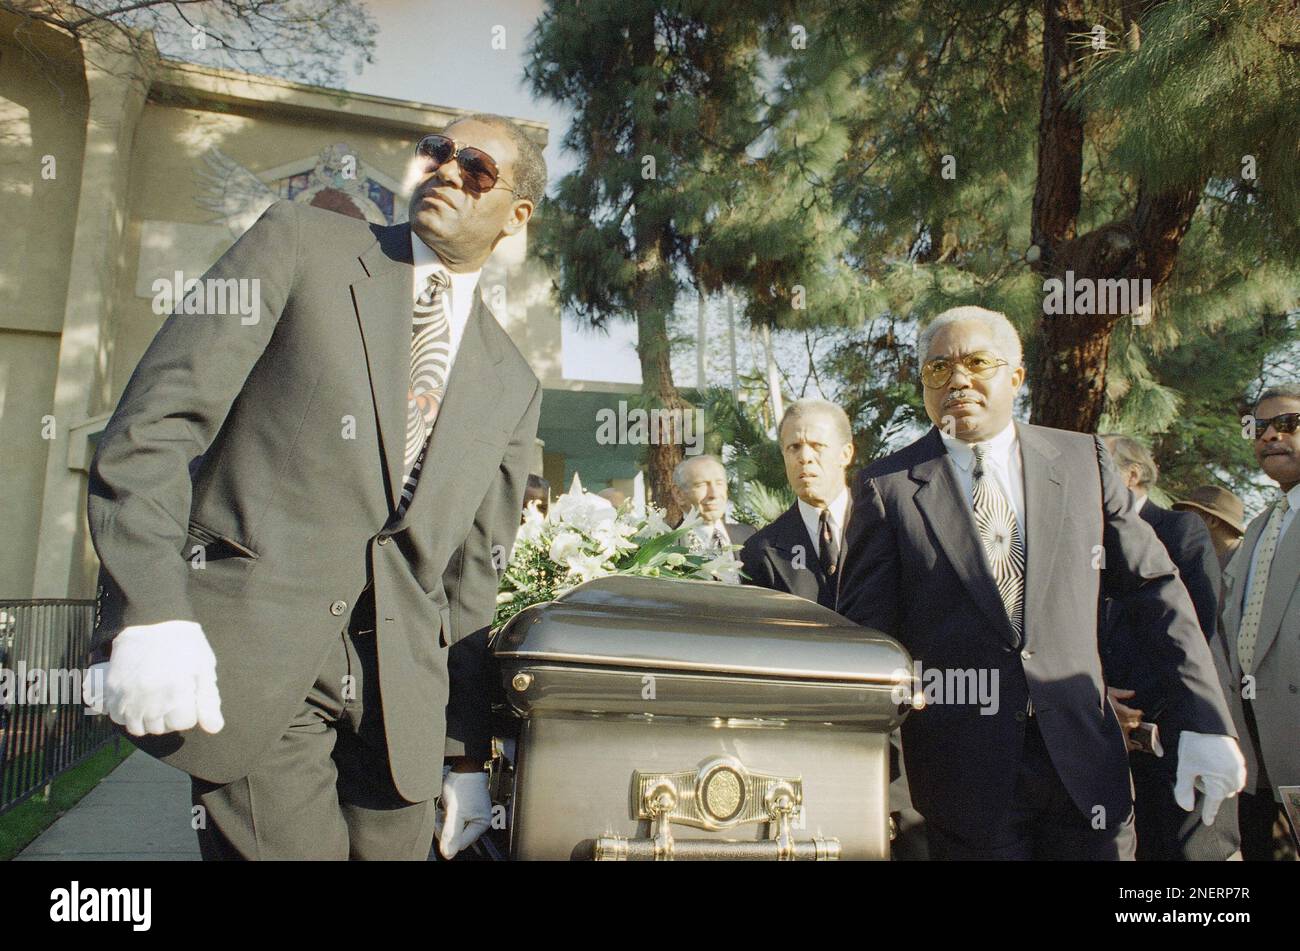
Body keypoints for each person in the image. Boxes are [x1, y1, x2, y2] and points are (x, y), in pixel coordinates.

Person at [86, 114, 547, 860]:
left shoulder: (514, 384)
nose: (447, 170)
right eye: (436, 152)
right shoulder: (300, 242)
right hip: (260, 666)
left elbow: (470, 579)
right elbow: (153, 426)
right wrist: (150, 609)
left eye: (478, 167)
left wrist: (465, 756)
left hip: (399, 717)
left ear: (515, 214)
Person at [839, 305, 1244, 860]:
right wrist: (870, 768)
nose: (957, 379)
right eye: (938, 369)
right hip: (964, 783)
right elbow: (868, 639)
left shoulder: (1083, 462)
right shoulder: (887, 489)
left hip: (1086, 771)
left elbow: (1155, 589)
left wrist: (1203, 721)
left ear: (1016, 377)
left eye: (977, 362)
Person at [1099, 434, 1239, 861]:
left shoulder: (1179, 530)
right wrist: (1102, 697)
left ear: (1131, 474)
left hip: (1176, 733)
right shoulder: (1086, 543)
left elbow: (1192, 630)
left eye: (1097, 469)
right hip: (1109, 733)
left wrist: (1136, 707)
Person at [1213, 386, 1300, 861]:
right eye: (1257, 428)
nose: (1270, 436)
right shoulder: (1264, 525)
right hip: (1257, 755)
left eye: (1287, 424)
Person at [740, 400, 853, 612]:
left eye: (817, 446)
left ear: (845, 454)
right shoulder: (760, 551)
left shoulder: (885, 527)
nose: (804, 458)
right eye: (794, 447)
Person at [672, 455, 754, 551]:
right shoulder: (665, 549)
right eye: (701, 484)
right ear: (679, 494)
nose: (714, 494)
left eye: (719, 483)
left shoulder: (750, 536)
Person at [1173, 485, 1246, 572]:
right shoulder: (1189, 553)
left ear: (1212, 521)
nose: (1182, 521)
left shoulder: (1251, 564)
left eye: (1188, 516)